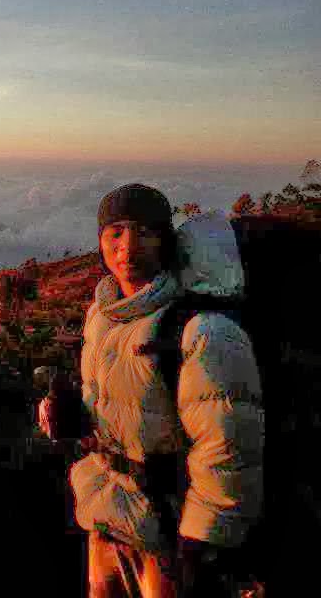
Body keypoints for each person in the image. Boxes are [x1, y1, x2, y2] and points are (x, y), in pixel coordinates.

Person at [67, 184, 263, 598]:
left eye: (144, 231)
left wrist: (201, 546)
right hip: (105, 521)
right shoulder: (100, 317)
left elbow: (226, 450)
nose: (127, 247)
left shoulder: (203, 330)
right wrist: (68, 417)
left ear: (165, 241)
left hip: (168, 537)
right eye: (115, 232)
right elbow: (106, 407)